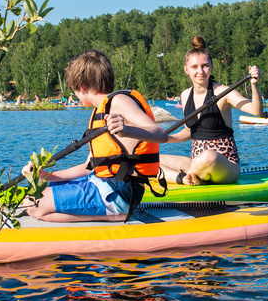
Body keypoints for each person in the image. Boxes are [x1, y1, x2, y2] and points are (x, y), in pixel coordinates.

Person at [21, 50, 167, 222]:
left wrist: (127, 130)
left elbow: (161, 133)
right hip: (101, 182)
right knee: (34, 193)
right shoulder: (100, 110)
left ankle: (115, 214)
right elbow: (88, 166)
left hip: (119, 192)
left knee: (33, 204)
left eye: (74, 89)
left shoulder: (119, 101)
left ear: (83, 87)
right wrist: (46, 176)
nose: (75, 94)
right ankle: (110, 212)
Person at [159, 36, 262, 186]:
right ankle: (184, 178)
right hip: (196, 163)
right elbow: (188, 131)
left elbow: (256, 111)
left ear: (212, 67)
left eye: (205, 66)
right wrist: (163, 138)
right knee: (152, 158)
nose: (200, 71)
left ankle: (189, 176)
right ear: (186, 70)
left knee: (208, 156)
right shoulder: (185, 95)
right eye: (194, 67)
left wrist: (254, 84)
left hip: (224, 165)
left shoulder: (223, 92)